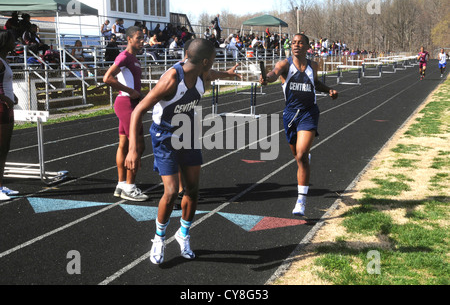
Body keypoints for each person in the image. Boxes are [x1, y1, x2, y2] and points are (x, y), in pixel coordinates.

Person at [124, 38, 241, 264]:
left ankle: (184, 234)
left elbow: (212, 75)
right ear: (205, 61)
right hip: (164, 136)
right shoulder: (171, 80)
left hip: (187, 134)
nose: (212, 65)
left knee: (193, 190)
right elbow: (139, 108)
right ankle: (159, 238)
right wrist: (133, 149)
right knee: (171, 192)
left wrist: (227, 74)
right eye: (213, 61)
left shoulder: (201, 74)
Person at [260, 33, 338, 217]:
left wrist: (330, 91)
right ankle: (304, 161)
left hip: (309, 113)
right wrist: (267, 78)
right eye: (294, 43)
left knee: (302, 155)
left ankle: (301, 201)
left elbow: (315, 83)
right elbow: (273, 74)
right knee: (298, 157)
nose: (296, 45)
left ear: (307, 46)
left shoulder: (313, 65)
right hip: (290, 116)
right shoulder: (285, 65)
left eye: (300, 43)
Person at [103, 26, 149, 202]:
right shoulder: (124, 56)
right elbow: (107, 78)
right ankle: (130, 187)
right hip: (126, 104)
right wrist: (130, 91)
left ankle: (122, 183)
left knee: (123, 143)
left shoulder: (134, 59)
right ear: (129, 39)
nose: (142, 41)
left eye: (143, 38)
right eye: (138, 38)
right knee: (137, 145)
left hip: (130, 102)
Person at [0, 30, 19, 201]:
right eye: (13, 40)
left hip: (7, 107)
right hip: (1, 108)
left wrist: (13, 96)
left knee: (4, 149)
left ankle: (0, 185)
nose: (16, 42)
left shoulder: (4, 60)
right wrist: (5, 97)